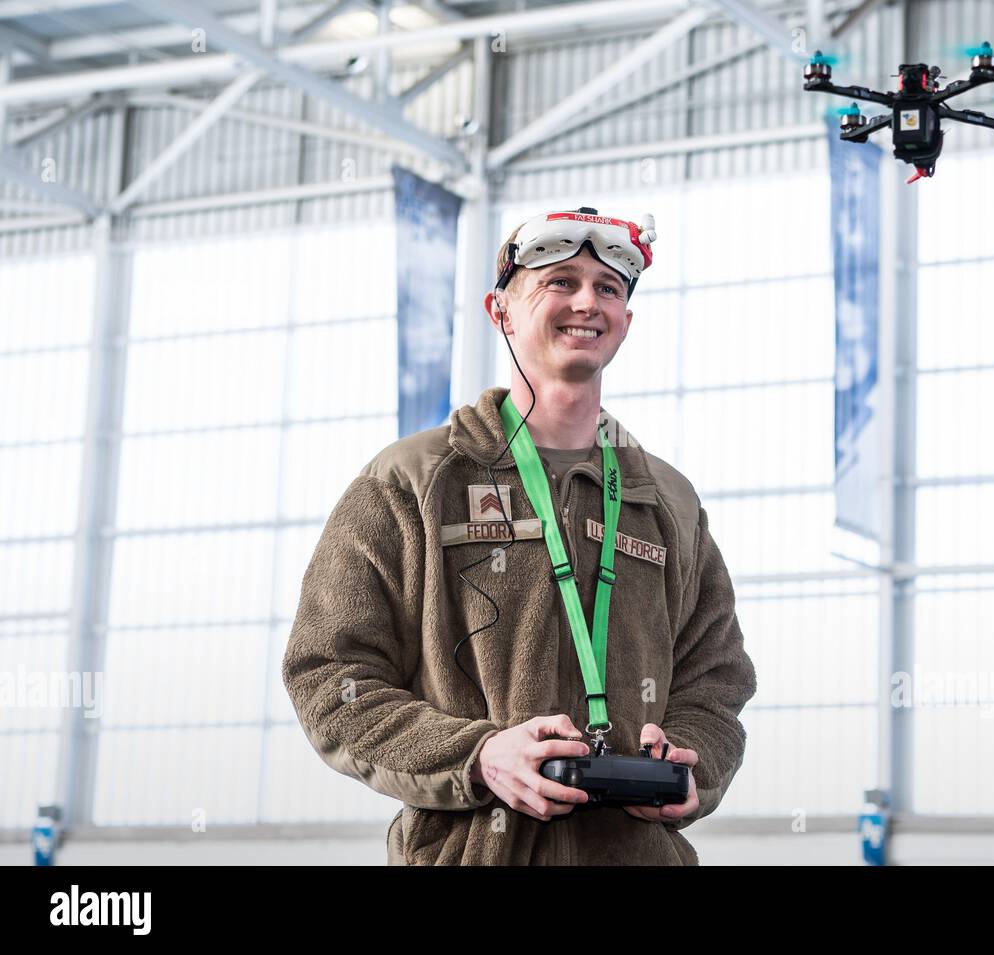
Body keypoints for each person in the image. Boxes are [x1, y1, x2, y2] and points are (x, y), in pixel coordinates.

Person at [282, 207, 757, 865]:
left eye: (609, 288)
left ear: (625, 320)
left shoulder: (665, 500)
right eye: (559, 281)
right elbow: (331, 672)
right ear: (500, 310)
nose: (587, 300)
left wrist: (690, 762)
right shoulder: (413, 481)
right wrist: (478, 755)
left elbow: (717, 679)